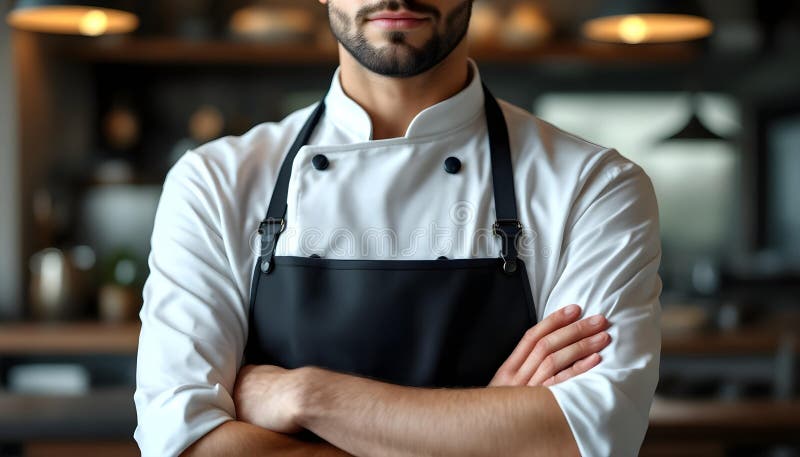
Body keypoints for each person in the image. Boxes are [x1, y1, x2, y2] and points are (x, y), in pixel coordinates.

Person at [133, 0, 662, 456]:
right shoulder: (215, 182)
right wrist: (486, 434)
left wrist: (306, 396)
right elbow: (181, 441)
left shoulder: (594, 187)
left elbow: (586, 438)